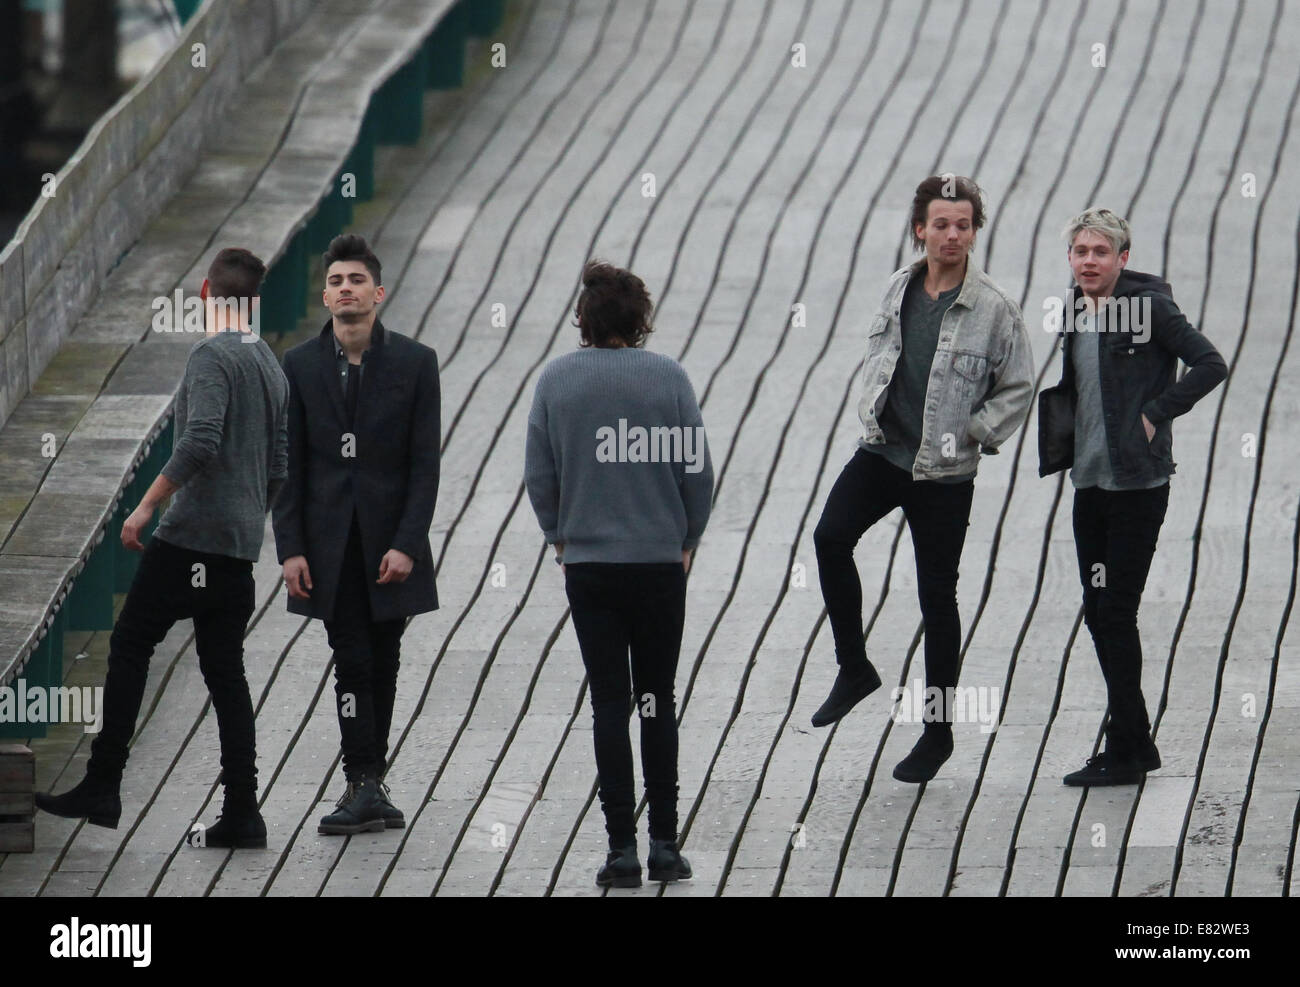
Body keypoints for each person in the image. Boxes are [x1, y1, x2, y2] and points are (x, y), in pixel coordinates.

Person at [35, 247, 288, 849]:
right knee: (226, 672)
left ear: (205, 293)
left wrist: (147, 505)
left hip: (192, 537)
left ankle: (103, 783)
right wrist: (248, 518)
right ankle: (242, 810)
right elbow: (279, 462)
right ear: (254, 301)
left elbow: (199, 440)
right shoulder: (271, 366)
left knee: (129, 645)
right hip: (237, 546)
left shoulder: (210, 355)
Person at [810, 175, 1035, 784]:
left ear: (974, 231)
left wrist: (975, 433)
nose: (952, 235)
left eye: (963, 225)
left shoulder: (993, 308)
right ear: (920, 229)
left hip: (943, 473)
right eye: (941, 224)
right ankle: (854, 668)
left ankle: (937, 736)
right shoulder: (898, 286)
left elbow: (1018, 385)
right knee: (829, 539)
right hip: (884, 453)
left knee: (937, 599)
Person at [525, 260, 713, 888]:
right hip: (659, 566)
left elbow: (541, 474)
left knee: (610, 702)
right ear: (641, 321)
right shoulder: (668, 378)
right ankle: (665, 843)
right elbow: (696, 472)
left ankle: (619, 851)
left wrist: (560, 537)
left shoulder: (556, 382)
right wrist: (685, 539)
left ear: (584, 318)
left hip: (591, 567)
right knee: (658, 699)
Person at [1038, 208, 1226, 786]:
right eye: (1080, 252)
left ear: (1123, 258)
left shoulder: (1149, 308)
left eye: (1101, 253)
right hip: (1089, 483)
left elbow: (1210, 363)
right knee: (1099, 613)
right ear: (1070, 258)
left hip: (1137, 487)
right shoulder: (1073, 306)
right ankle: (1132, 742)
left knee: (1115, 611)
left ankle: (1128, 747)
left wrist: (1155, 413)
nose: (1089, 262)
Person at [272, 234, 441, 834]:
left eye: (357, 281)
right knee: (352, 660)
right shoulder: (298, 366)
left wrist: (407, 543)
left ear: (378, 292)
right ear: (325, 295)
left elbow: (425, 465)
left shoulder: (416, 363)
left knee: (385, 658)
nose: (347, 289)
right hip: (326, 546)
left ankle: (371, 780)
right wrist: (289, 547)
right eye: (337, 281)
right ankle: (362, 779)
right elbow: (287, 464)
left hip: (391, 542)